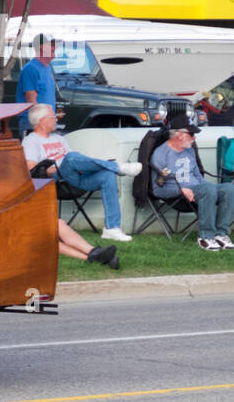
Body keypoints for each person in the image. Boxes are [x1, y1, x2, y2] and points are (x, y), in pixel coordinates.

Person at [24, 104, 139, 242]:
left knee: (107, 175)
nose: (56, 120)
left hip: (76, 178)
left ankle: (111, 228)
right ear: (42, 120)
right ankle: (117, 166)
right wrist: (47, 170)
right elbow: (31, 168)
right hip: (56, 181)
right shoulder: (31, 140)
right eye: (53, 117)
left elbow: (75, 161)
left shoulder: (59, 139)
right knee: (70, 158)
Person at [150, 114, 234, 251]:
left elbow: (198, 176)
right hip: (179, 195)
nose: (194, 138)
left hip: (199, 191)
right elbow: (157, 189)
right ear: (179, 135)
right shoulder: (161, 154)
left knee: (229, 189)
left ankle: (221, 234)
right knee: (208, 189)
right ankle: (205, 237)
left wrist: (210, 188)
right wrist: (180, 190)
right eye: (191, 134)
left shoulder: (189, 151)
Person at [18, 32, 58, 113]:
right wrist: (44, 120)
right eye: (51, 44)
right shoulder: (30, 69)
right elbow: (31, 102)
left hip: (47, 121)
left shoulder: (48, 68)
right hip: (34, 123)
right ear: (41, 47)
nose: (55, 47)